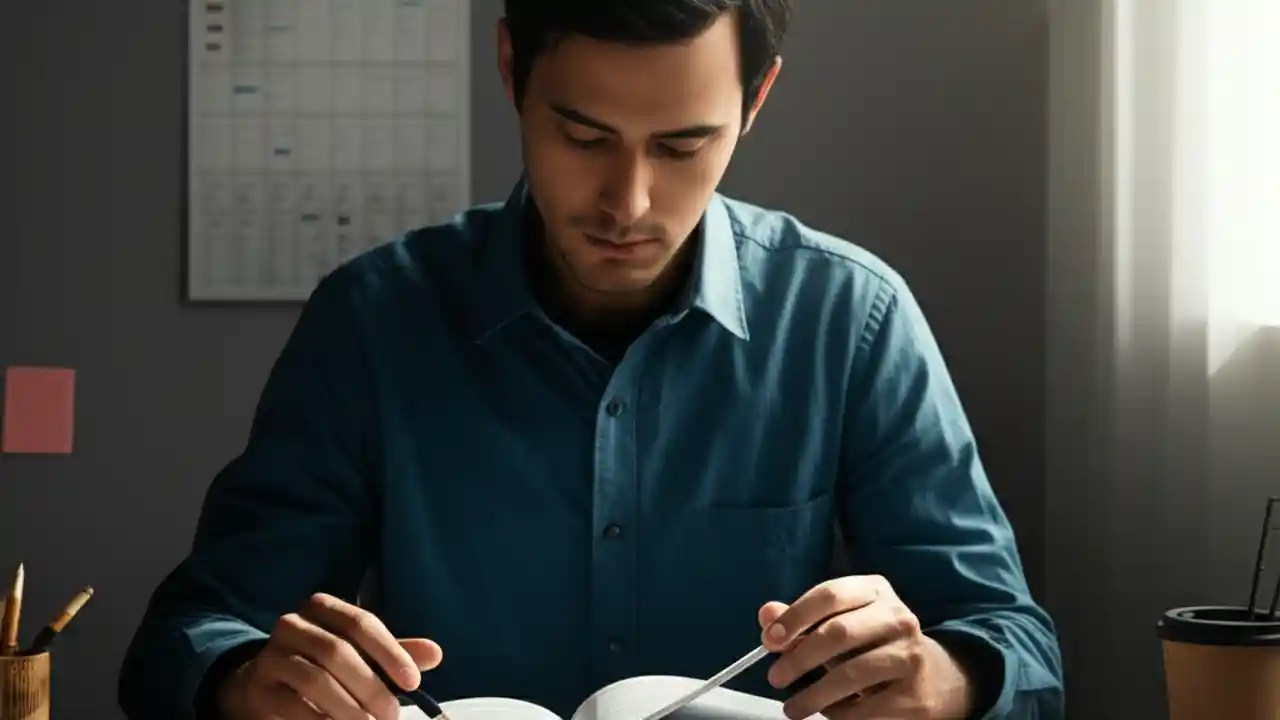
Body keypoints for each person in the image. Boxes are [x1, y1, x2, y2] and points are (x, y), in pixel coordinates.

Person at [119, 2, 1064, 718]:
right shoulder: (373, 321)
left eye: (685, 144)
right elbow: (181, 641)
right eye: (583, 137)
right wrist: (250, 683)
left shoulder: (850, 318)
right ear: (509, 70)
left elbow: (1017, 646)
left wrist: (942, 679)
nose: (630, 202)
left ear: (757, 100)